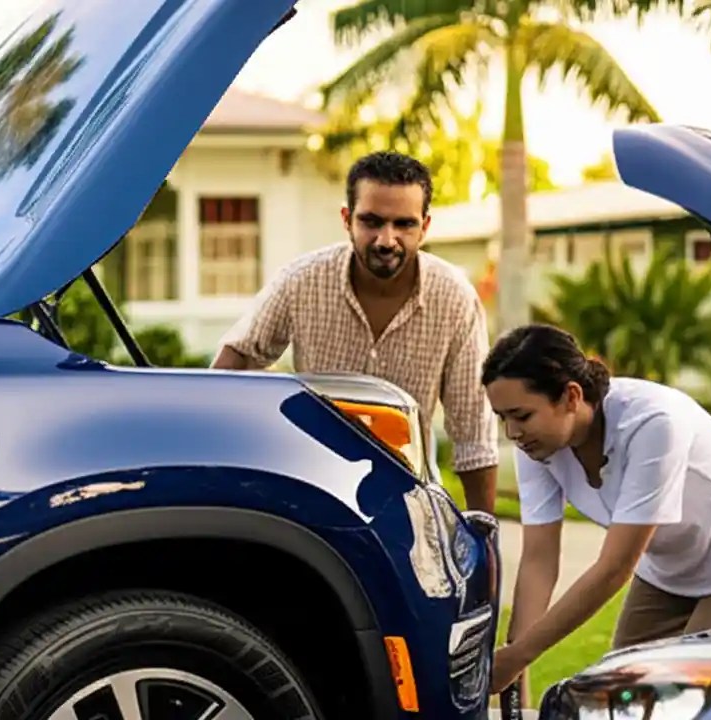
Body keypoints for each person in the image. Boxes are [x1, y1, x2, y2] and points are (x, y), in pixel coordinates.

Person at [483, 324, 711, 694]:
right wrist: (514, 653)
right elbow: (539, 559)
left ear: (570, 396)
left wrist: (520, 657)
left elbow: (614, 568)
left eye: (521, 415)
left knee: (692, 695)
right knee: (623, 697)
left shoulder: (652, 423)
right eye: (503, 418)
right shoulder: (536, 446)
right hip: (670, 570)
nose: (512, 432)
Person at [211, 150, 499, 514]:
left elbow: (473, 433)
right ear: (347, 219)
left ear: (424, 227)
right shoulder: (301, 281)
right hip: (312, 488)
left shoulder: (455, 298)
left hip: (410, 496)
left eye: (404, 225)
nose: (386, 239)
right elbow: (236, 361)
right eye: (372, 221)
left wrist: (484, 535)